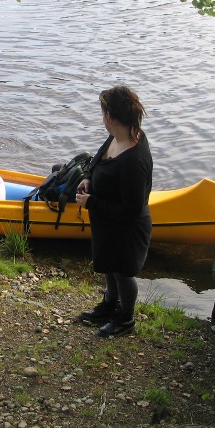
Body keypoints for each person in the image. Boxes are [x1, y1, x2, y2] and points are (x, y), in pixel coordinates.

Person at [74, 86, 153, 337]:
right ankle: (109, 307)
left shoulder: (134, 159)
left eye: (102, 113)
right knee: (108, 266)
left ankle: (126, 320)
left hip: (126, 227)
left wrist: (91, 203)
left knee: (123, 272)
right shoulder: (116, 137)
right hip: (106, 221)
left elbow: (131, 209)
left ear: (109, 116)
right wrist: (88, 178)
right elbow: (97, 162)